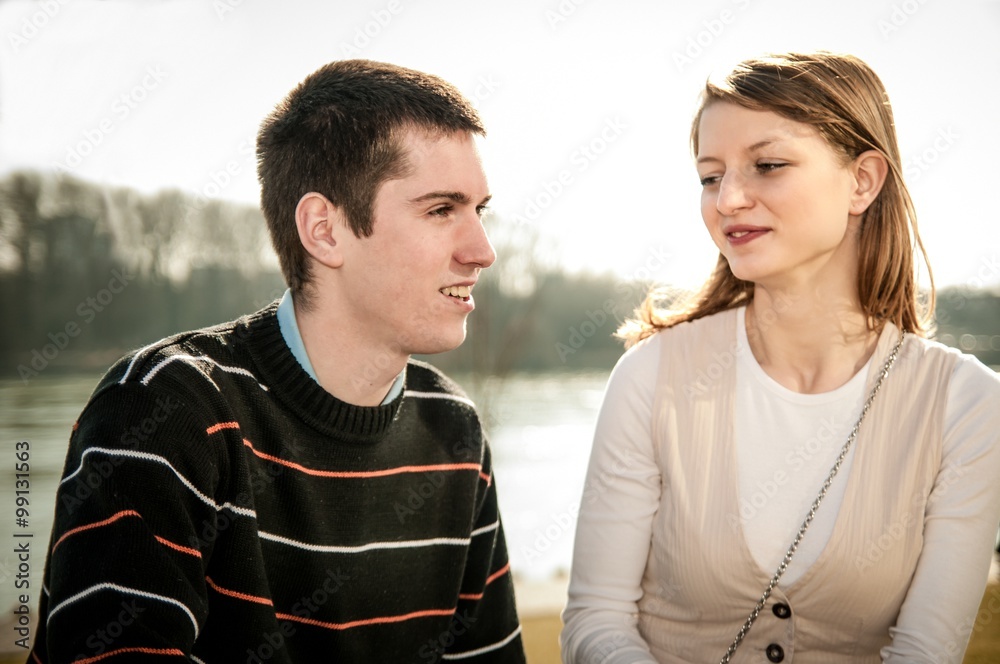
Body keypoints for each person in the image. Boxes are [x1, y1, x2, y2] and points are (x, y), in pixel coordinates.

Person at [31, 59, 526, 663]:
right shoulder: (163, 411)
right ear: (325, 230)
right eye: (441, 209)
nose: (483, 250)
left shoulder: (453, 427)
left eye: (481, 210)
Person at [560, 51, 1000, 663]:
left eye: (767, 165)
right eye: (710, 176)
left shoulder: (967, 405)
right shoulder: (652, 376)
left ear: (863, 181)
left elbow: (927, 651)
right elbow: (595, 623)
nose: (729, 198)